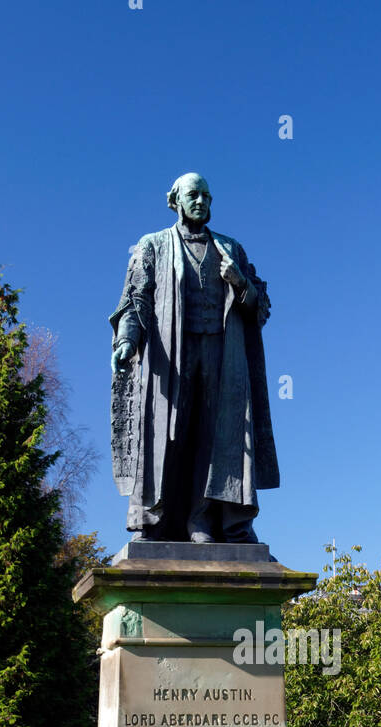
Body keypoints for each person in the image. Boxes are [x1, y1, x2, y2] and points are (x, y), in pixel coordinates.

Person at [110, 173, 279, 542]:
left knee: (216, 437)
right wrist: (126, 340)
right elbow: (136, 300)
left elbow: (259, 308)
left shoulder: (231, 249)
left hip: (223, 353)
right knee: (170, 434)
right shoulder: (152, 245)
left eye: (206, 195)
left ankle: (202, 520)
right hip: (171, 355)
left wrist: (239, 281)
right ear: (175, 200)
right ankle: (155, 520)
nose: (201, 201)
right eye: (193, 195)